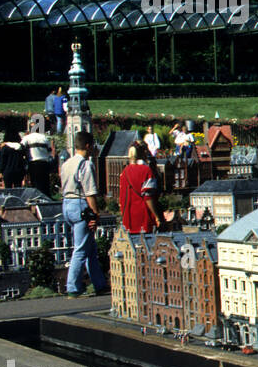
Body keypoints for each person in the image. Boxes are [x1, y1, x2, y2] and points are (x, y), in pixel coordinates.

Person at [59, 131, 107, 297]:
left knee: (90, 248)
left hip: (67, 204)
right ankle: (72, 287)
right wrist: (95, 214)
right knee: (80, 249)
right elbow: (89, 192)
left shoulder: (66, 164)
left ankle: (99, 283)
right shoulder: (85, 164)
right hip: (80, 205)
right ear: (88, 146)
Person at [118, 142, 162, 234]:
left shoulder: (125, 171)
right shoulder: (146, 171)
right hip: (144, 217)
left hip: (128, 219)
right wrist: (157, 216)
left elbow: (122, 198)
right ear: (144, 152)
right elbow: (148, 197)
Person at [21, 126, 53, 194]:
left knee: (35, 183)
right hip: (44, 162)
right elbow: (50, 151)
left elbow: (21, 148)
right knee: (45, 183)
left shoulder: (27, 138)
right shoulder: (44, 137)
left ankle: (37, 197)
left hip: (33, 162)